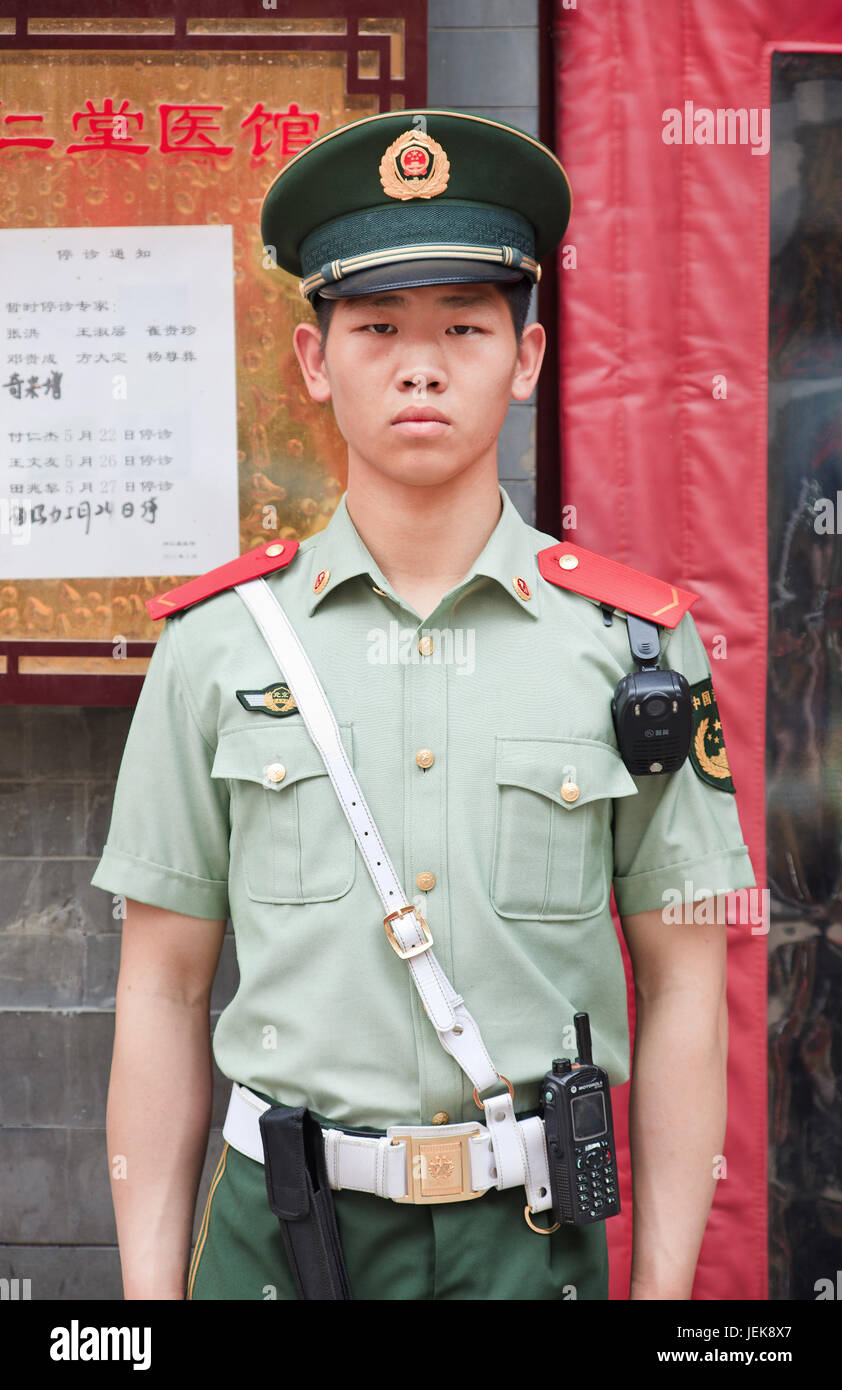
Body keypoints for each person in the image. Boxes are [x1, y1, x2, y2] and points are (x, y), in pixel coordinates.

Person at [91, 108, 757, 1301]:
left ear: (529, 357)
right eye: (376, 326)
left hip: (531, 1248)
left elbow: (685, 983)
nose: (420, 362)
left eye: (462, 325)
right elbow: (162, 986)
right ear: (313, 361)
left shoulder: (633, 645)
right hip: (273, 1246)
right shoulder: (218, 643)